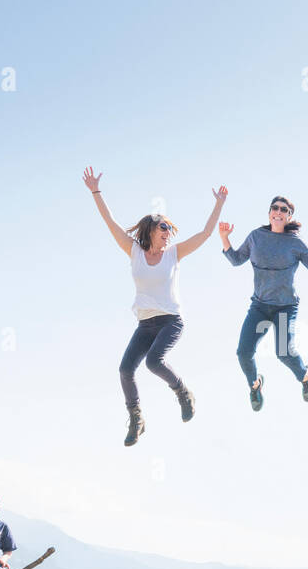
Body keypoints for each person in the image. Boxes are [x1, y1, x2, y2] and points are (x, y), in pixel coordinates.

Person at [83, 167, 227, 445]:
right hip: (145, 324)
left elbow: (206, 233)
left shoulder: (174, 254)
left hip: (170, 321)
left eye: (169, 230)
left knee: (154, 361)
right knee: (125, 369)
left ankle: (183, 393)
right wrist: (95, 192)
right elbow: (110, 222)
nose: (168, 233)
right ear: (150, 230)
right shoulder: (134, 251)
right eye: (163, 228)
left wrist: (218, 204)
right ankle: (137, 419)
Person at [220, 198, 308, 409]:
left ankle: (306, 377)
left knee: (284, 352)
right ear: (269, 213)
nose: (278, 212)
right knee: (243, 353)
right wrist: (224, 238)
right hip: (259, 306)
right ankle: (255, 385)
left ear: (289, 217)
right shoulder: (256, 237)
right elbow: (235, 260)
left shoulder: (295, 243)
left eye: (283, 210)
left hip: (285, 307)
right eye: (274, 208)